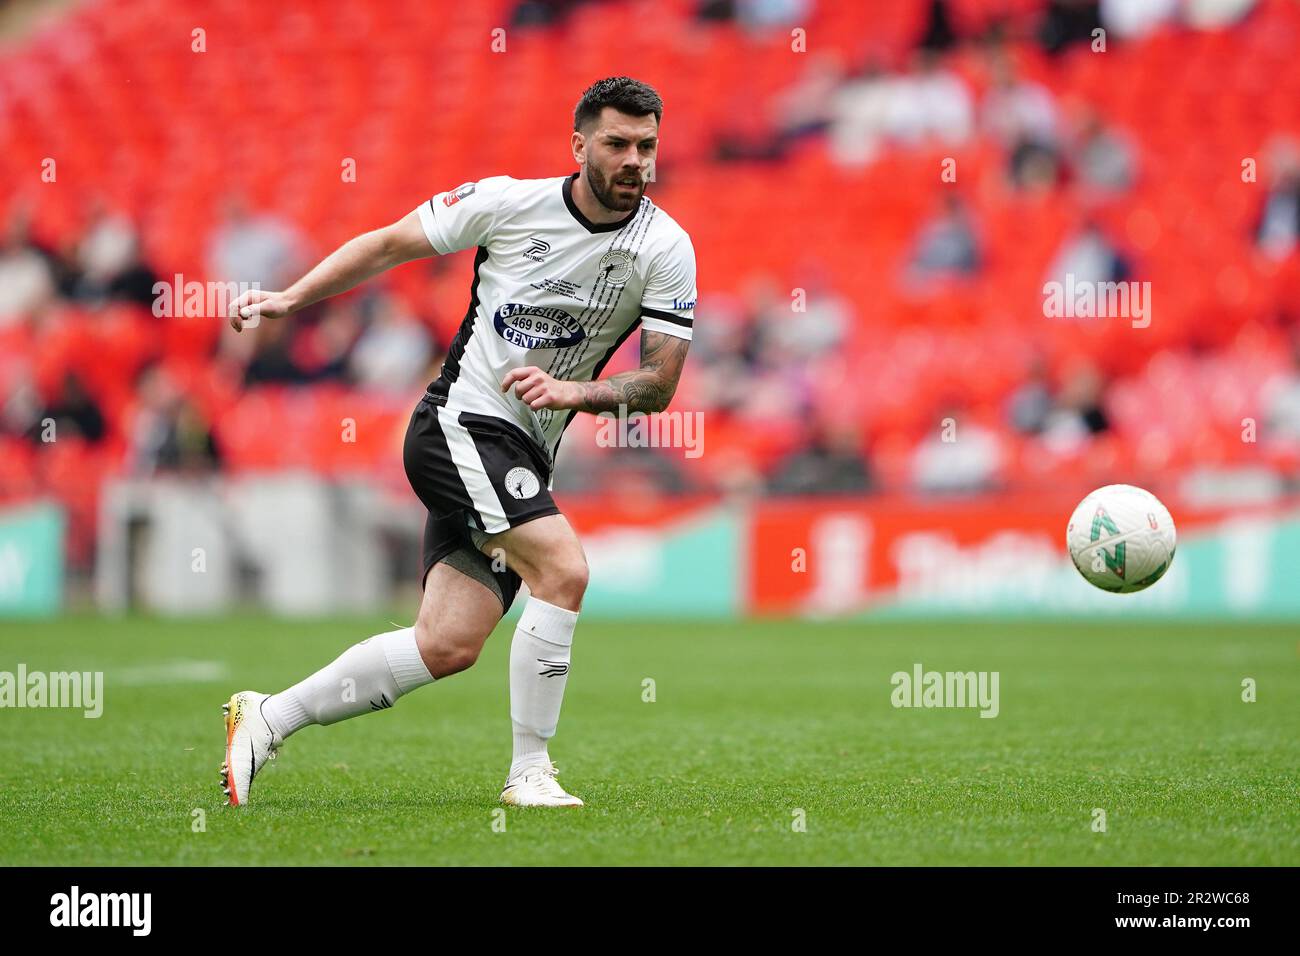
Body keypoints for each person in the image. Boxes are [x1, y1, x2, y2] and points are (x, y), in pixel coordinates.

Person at [219, 77, 697, 809]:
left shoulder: (664, 247)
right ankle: (530, 772)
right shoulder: (509, 203)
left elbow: (659, 383)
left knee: (446, 644)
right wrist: (290, 298)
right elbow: (387, 244)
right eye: (617, 143)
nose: (635, 160)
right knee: (564, 570)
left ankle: (267, 716)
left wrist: (579, 393)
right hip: (460, 426)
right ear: (578, 146)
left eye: (647, 146)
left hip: (526, 450)